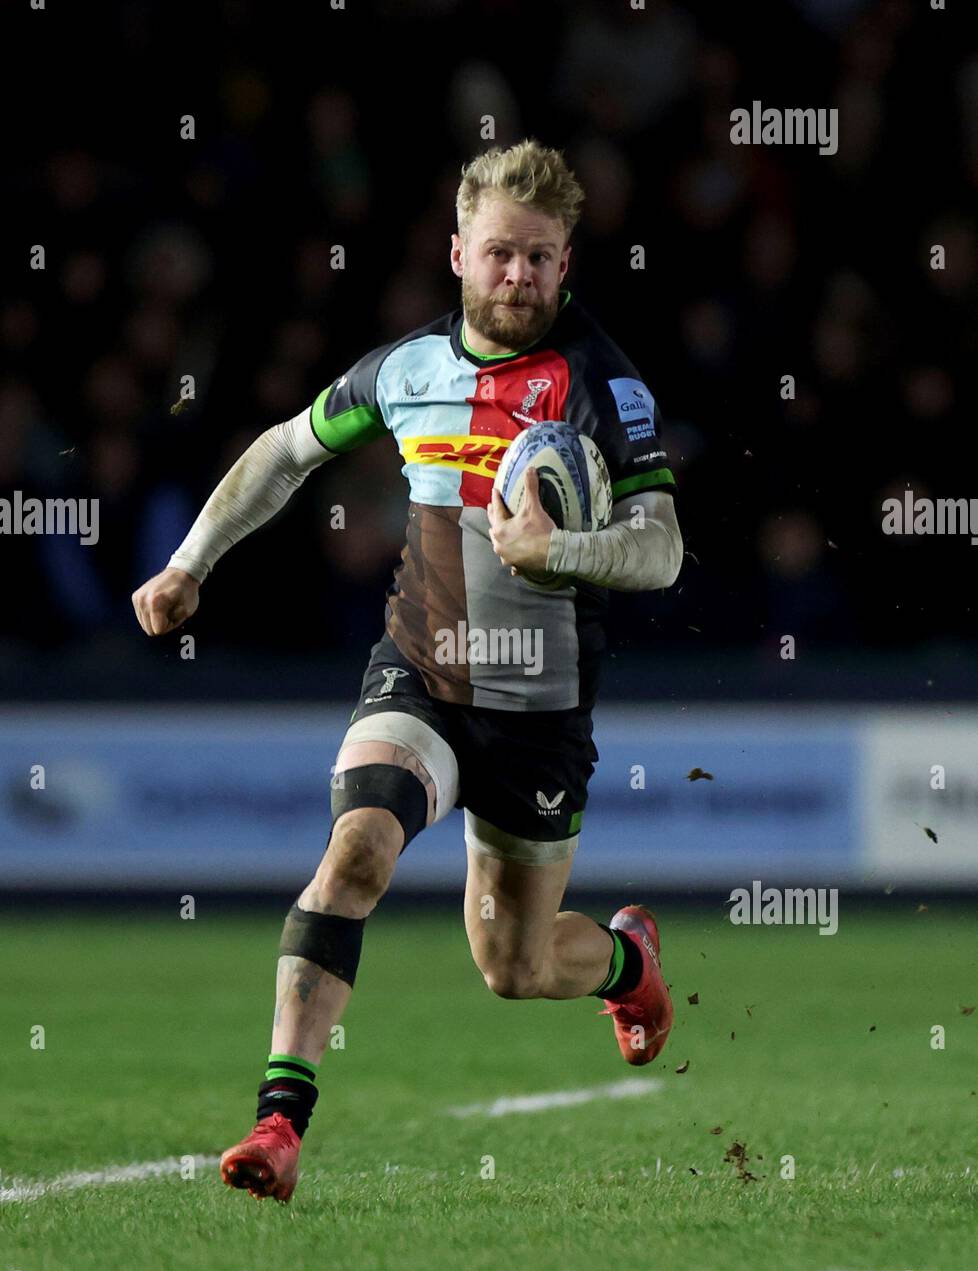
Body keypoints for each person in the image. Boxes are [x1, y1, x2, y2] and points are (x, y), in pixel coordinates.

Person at [132, 139, 683, 1204]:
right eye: (499, 255)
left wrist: (558, 550)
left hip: (539, 709)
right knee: (356, 853)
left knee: (513, 966)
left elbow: (660, 545)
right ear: (457, 255)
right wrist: (191, 560)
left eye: (539, 258)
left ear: (567, 265)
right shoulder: (403, 370)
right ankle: (279, 1124)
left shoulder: (604, 386)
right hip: (421, 675)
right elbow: (286, 452)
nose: (517, 276)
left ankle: (628, 964)